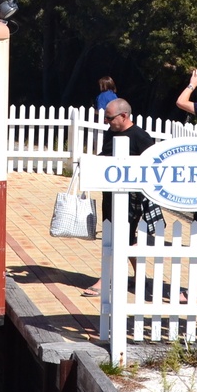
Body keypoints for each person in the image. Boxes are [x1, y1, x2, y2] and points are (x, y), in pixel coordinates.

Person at [82, 97, 156, 296]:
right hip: (110, 195)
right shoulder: (111, 132)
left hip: (131, 199)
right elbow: (106, 155)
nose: (106, 121)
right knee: (122, 238)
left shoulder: (141, 137)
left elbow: (151, 167)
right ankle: (141, 277)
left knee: (120, 238)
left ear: (124, 116)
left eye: (109, 118)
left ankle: (105, 279)